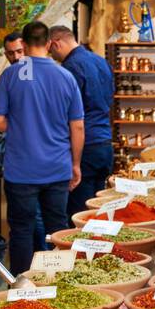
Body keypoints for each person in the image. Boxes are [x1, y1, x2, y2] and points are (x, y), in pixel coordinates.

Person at [0, 21, 84, 274]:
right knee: (57, 230)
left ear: (25, 44)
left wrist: (20, 124)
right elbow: (78, 127)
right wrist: (75, 164)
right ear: (50, 44)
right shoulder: (66, 76)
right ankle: (58, 285)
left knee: (21, 230)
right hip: (57, 167)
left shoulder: (12, 74)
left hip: (20, 170)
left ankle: (21, 290)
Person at [48, 25, 115, 219]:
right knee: (99, 210)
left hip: (84, 144)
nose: (52, 55)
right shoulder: (101, 61)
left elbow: (68, 112)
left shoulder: (70, 68)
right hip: (104, 143)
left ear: (56, 43)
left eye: (51, 50)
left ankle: (83, 250)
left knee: (80, 214)